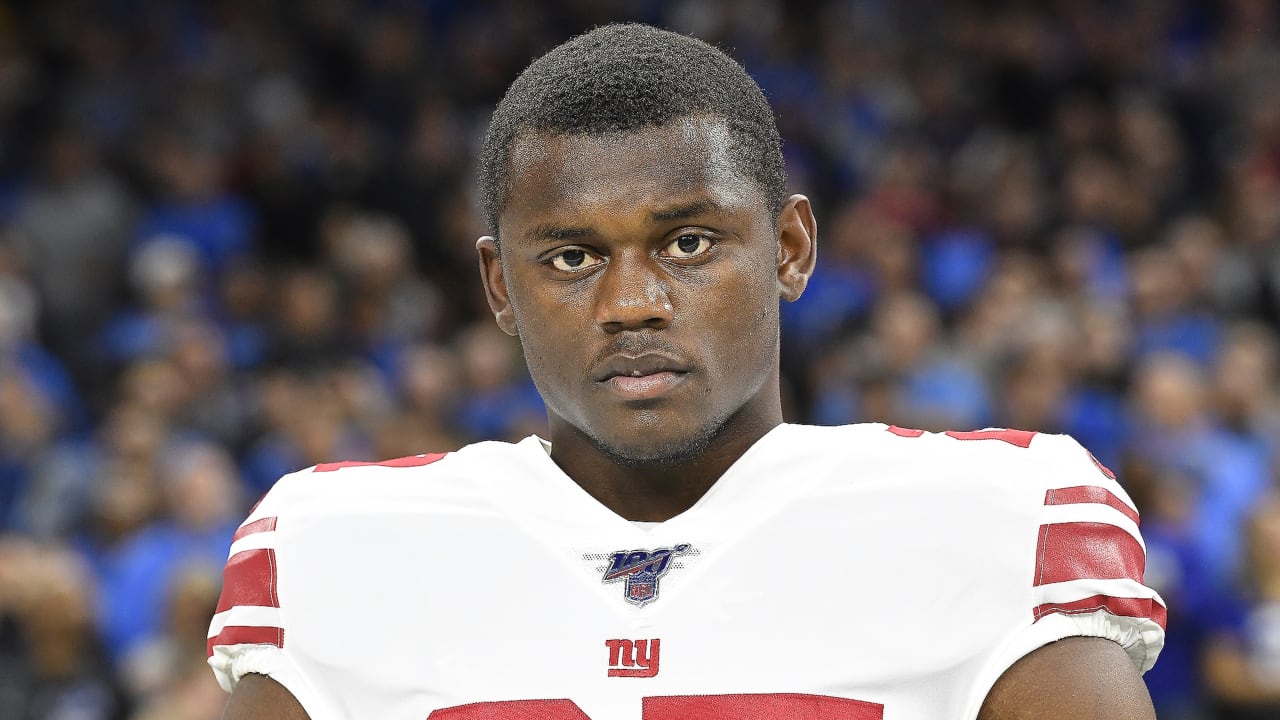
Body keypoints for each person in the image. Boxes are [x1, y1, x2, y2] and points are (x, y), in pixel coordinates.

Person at [208, 23, 1165, 719]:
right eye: (573, 257)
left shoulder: (1003, 517)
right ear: (500, 285)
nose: (632, 301)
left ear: (790, 247)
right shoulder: (334, 547)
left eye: (690, 241)